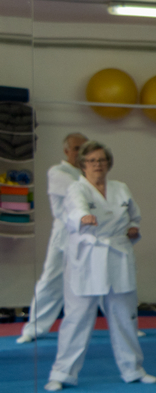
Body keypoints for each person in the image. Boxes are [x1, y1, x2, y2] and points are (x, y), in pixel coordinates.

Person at [45, 141, 156, 390]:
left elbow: (134, 216)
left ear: (109, 164)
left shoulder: (121, 188)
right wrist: (83, 217)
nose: (98, 165)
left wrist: (133, 229)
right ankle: (62, 373)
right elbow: (75, 212)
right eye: (92, 161)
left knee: (125, 317)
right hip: (88, 257)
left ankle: (133, 369)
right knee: (77, 318)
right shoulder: (77, 189)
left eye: (102, 160)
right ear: (82, 165)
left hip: (118, 255)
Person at [17, 132, 87, 343]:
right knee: (51, 280)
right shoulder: (58, 172)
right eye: (76, 148)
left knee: (103, 278)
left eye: (84, 149)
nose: (80, 153)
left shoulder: (90, 173)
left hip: (90, 233)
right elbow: (80, 196)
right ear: (66, 151)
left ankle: (125, 326)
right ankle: (33, 328)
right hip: (65, 234)